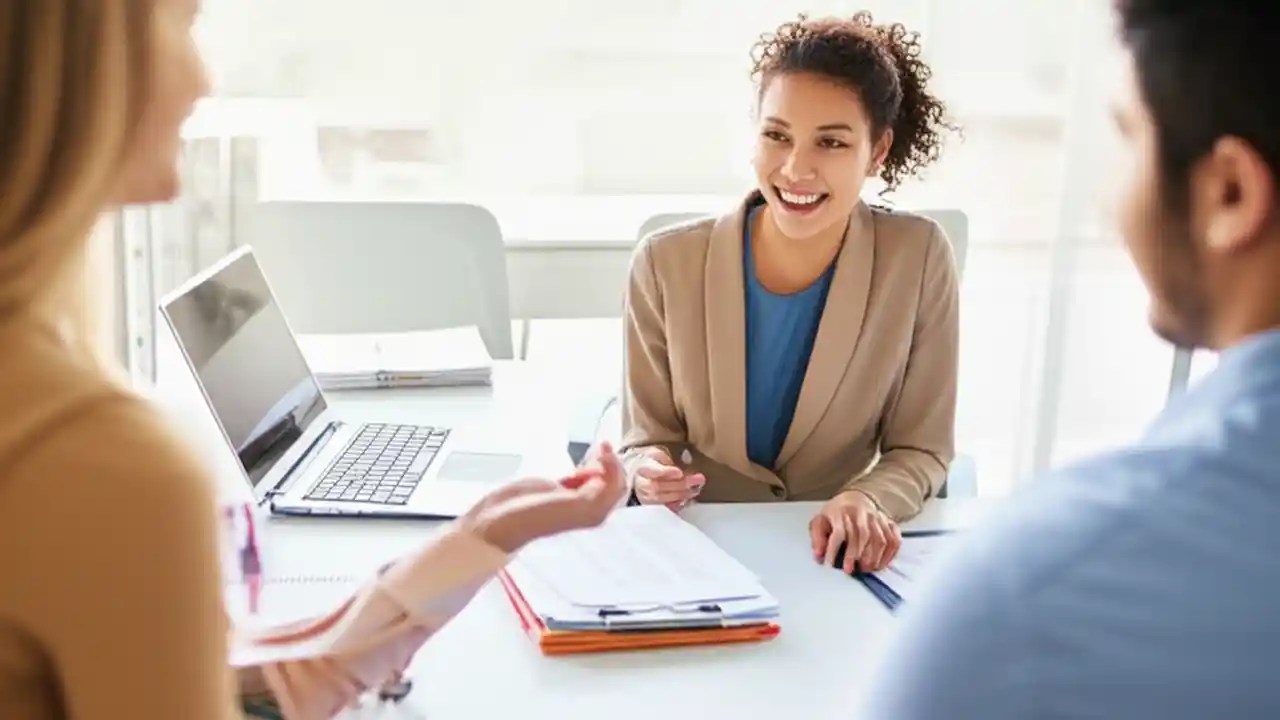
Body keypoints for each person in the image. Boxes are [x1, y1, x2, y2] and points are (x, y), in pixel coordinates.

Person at [0, 1, 625, 718]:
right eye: (178, 24)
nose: (202, 80)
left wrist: (478, 540)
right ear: (67, 60)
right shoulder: (104, 468)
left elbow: (236, 679)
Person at [858, 1, 1280, 717]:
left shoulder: (1032, 601)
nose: (1107, 203)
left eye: (1129, 141)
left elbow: (921, 447)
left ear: (1230, 192)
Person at [621, 12, 960, 573]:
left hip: (829, 553)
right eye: (776, 135)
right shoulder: (664, 263)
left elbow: (921, 449)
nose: (795, 169)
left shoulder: (918, 259)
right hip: (696, 553)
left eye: (831, 142)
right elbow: (645, 437)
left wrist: (868, 499)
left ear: (876, 152)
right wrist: (647, 472)